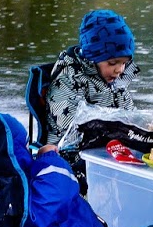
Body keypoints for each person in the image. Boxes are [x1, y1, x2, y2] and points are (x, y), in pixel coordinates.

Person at [39, 9, 139, 156]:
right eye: (112, 63)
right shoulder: (68, 79)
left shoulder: (116, 81)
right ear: (92, 58)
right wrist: (118, 130)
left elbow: (131, 116)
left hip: (109, 149)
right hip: (69, 153)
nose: (119, 70)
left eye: (124, 63)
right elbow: (72, 129)